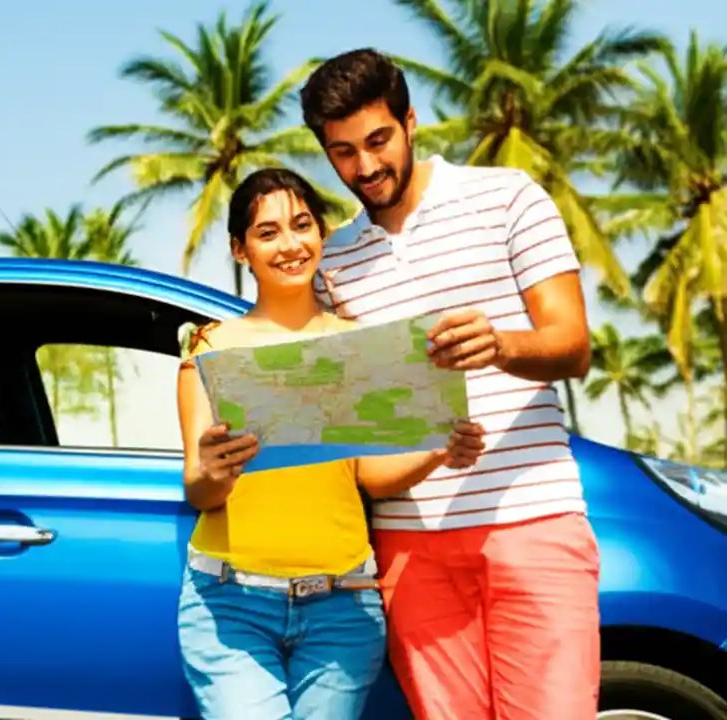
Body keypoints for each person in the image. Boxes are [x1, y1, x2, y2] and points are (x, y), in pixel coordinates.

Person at [298, 48, 599, 719]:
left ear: (411, 121)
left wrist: (502, 343)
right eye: (343, 152)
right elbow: (351, 416)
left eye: (378, 140)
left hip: (531, 521)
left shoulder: (508, 198)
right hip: (409, 545)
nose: (366, 167)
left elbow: (573, 346)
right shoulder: (334, 263)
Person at [175, 166, 486, 720]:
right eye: (267, 233)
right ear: (240, 250)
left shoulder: (355, 347)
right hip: (231, 604)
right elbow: (198, 489)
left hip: (342, 608)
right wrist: (216, 469)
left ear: (321, 233)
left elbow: (368, 476)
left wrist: (441, 450)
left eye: (302, 225)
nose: (290, 245)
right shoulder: (211, 349)